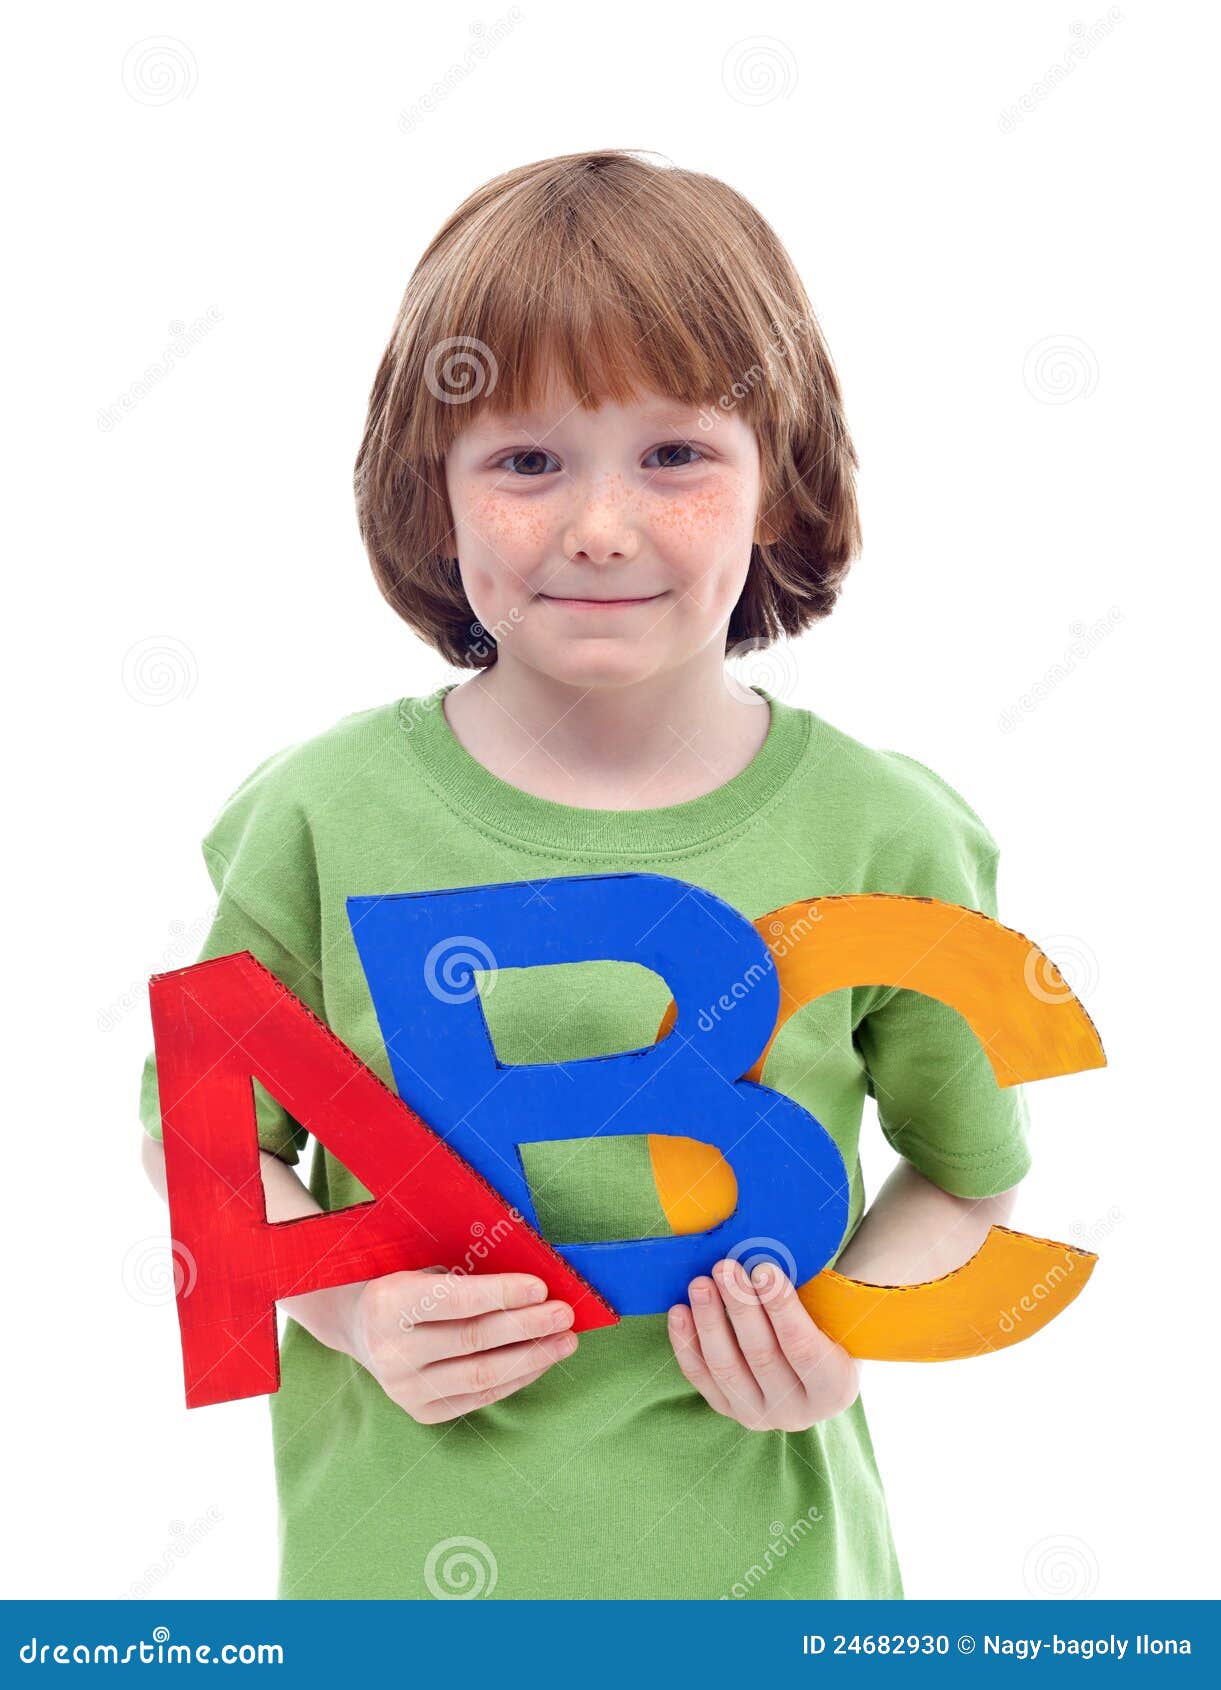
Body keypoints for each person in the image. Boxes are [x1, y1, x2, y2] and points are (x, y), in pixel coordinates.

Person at [139, 149, 1031, 1600]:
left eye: (674, 454)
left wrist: (843, 1328)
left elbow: (965, 1174)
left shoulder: (888, 832)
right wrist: (356, 1307)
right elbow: (204, 1150)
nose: (600, 524)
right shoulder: (315, 812)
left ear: (779, 488)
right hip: (393, 1593)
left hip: (771, 1594)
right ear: (429, 497)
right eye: (526, 459)